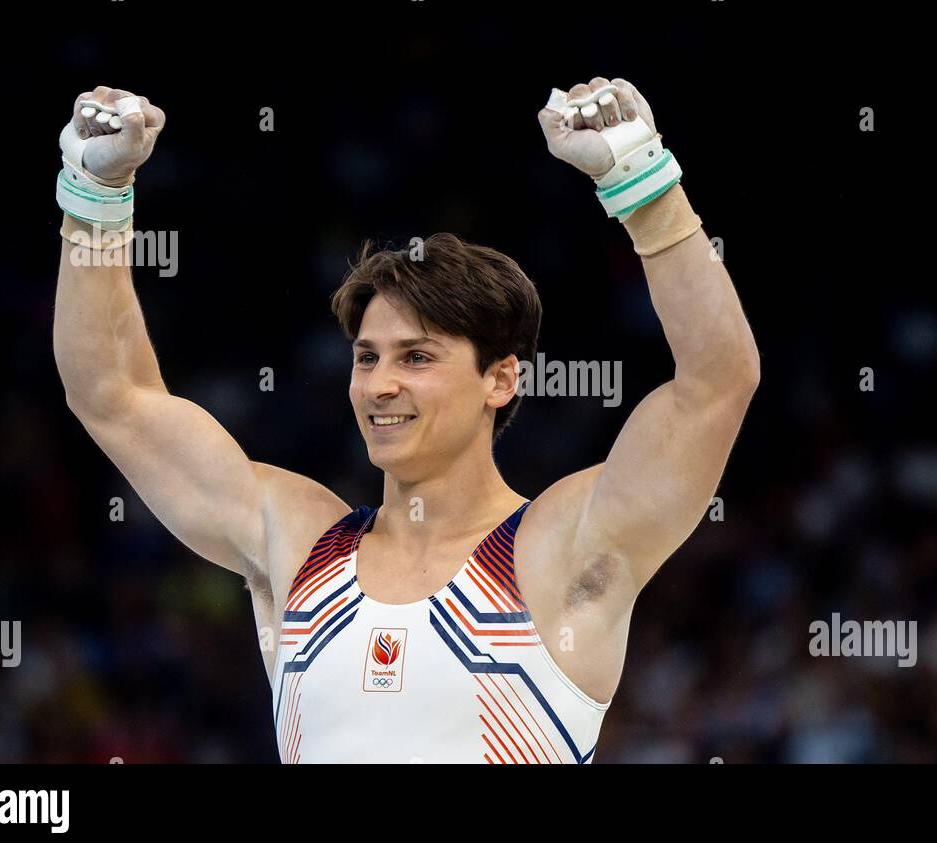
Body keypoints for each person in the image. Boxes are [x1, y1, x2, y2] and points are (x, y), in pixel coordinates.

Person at [53, 77, 759, 763]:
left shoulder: (565, 550)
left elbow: (717, 382)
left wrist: (647, 187)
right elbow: (111, 393)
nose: (379, 385)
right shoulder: (295, 543)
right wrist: (95, 199)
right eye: (366, 357)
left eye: (416, 357)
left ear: (502, 378)